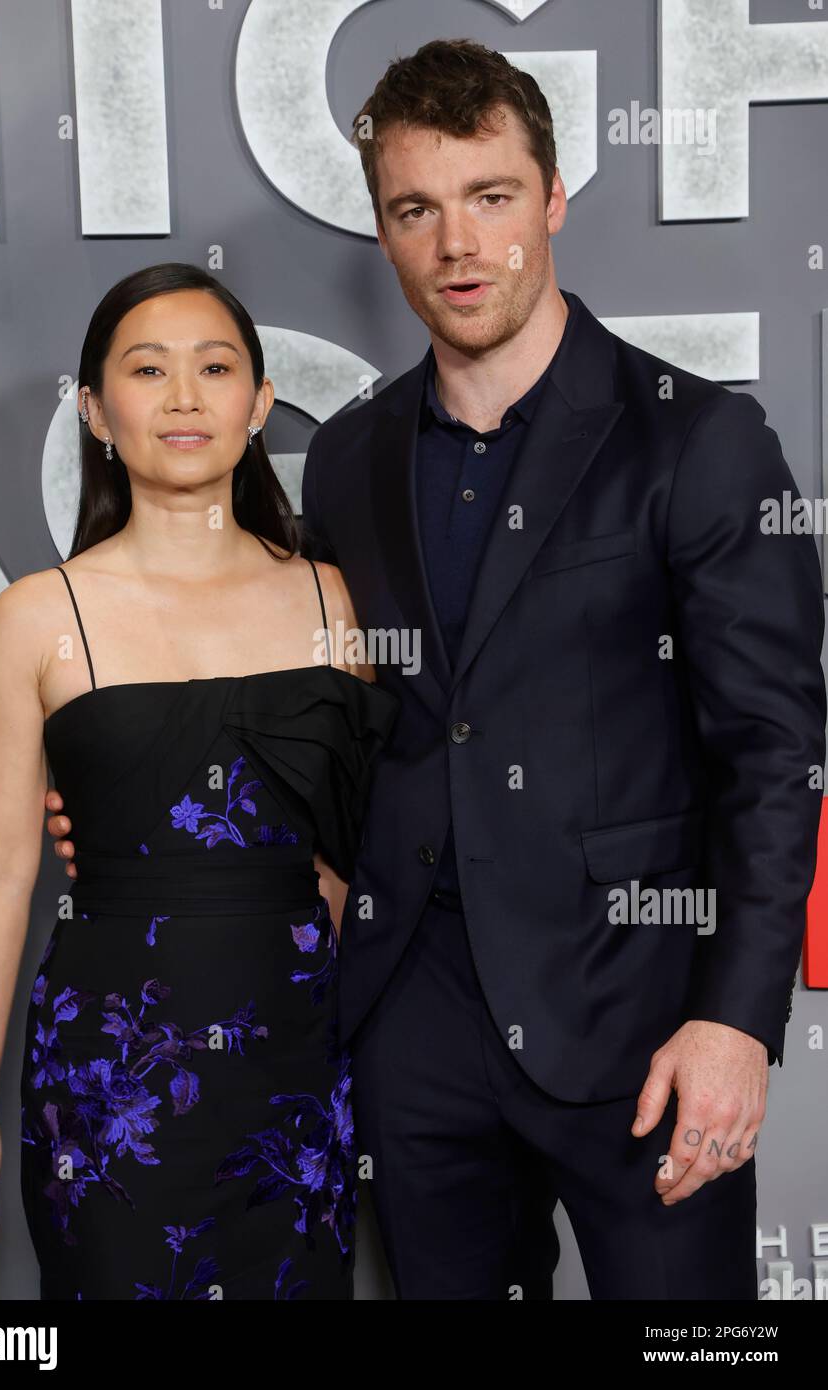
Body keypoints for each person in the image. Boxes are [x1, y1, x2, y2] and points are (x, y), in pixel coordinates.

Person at [47, 40, 826, 1300]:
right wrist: (130, 804)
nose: (458, 243)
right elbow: (306, 700)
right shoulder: (351, 455)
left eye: (491, 198)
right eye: (418, 209)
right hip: (412, 1026)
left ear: (554, 199)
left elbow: (774, 756)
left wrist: (735, 1021)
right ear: (384, 228)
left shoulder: (698, 440)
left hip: (639, 1021)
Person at [0, 262, 399, 1300]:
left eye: (216, 367)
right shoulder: (36, 616)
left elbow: (348, 844)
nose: (185, 396)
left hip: (290, 1069)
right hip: (109, 1080)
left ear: (260, 403)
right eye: (149, 370)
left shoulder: (333, 599)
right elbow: (1, 867)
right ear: (98, 411)